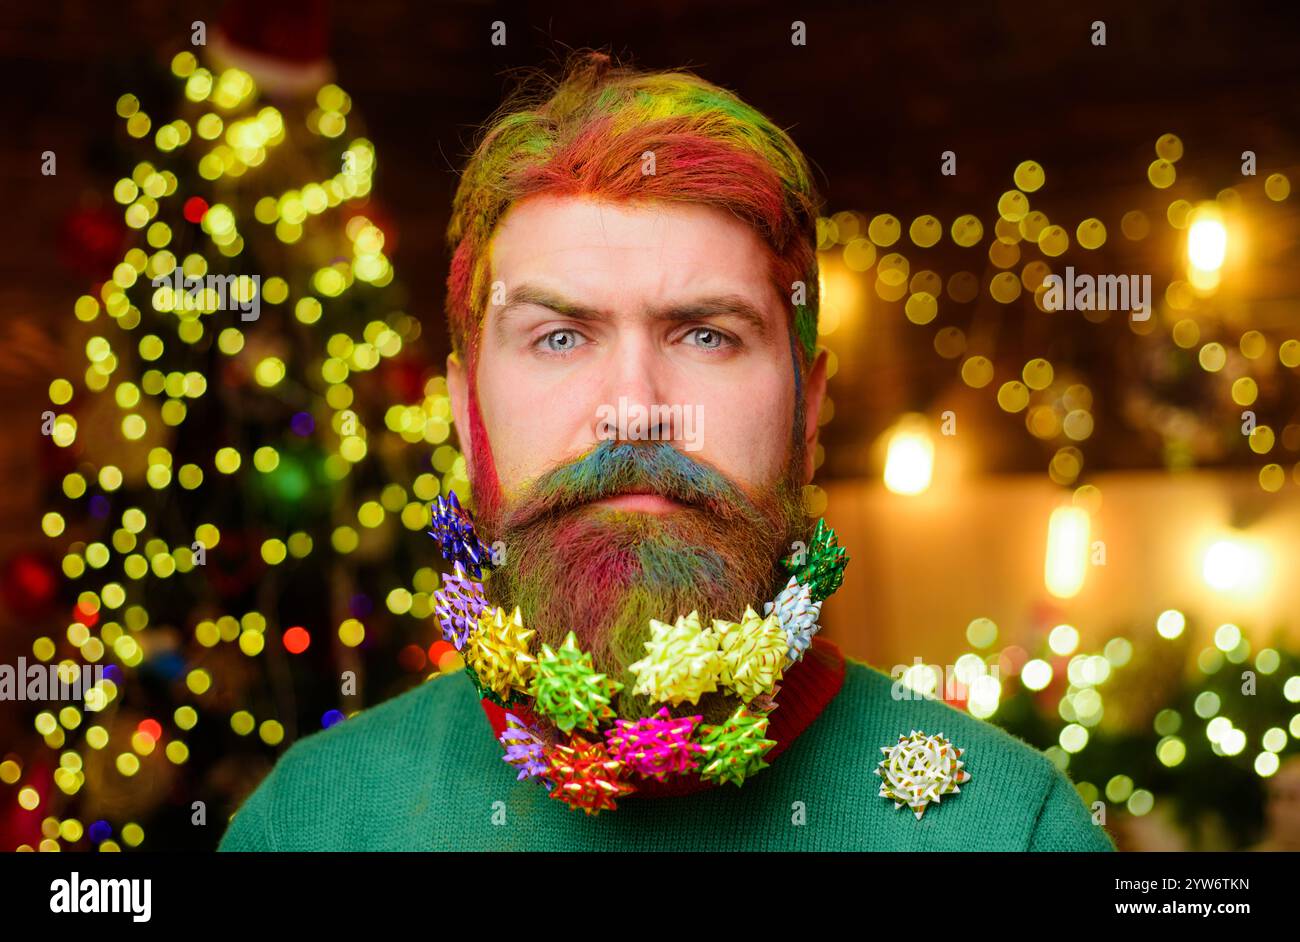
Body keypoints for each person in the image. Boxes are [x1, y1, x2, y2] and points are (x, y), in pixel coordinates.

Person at [219, 49, 1115, 852]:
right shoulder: (313, 822)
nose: (636, 413)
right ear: (464, 411)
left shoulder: (1006, 827)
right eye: (560, 338)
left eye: (707, 336)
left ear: (810, 415)